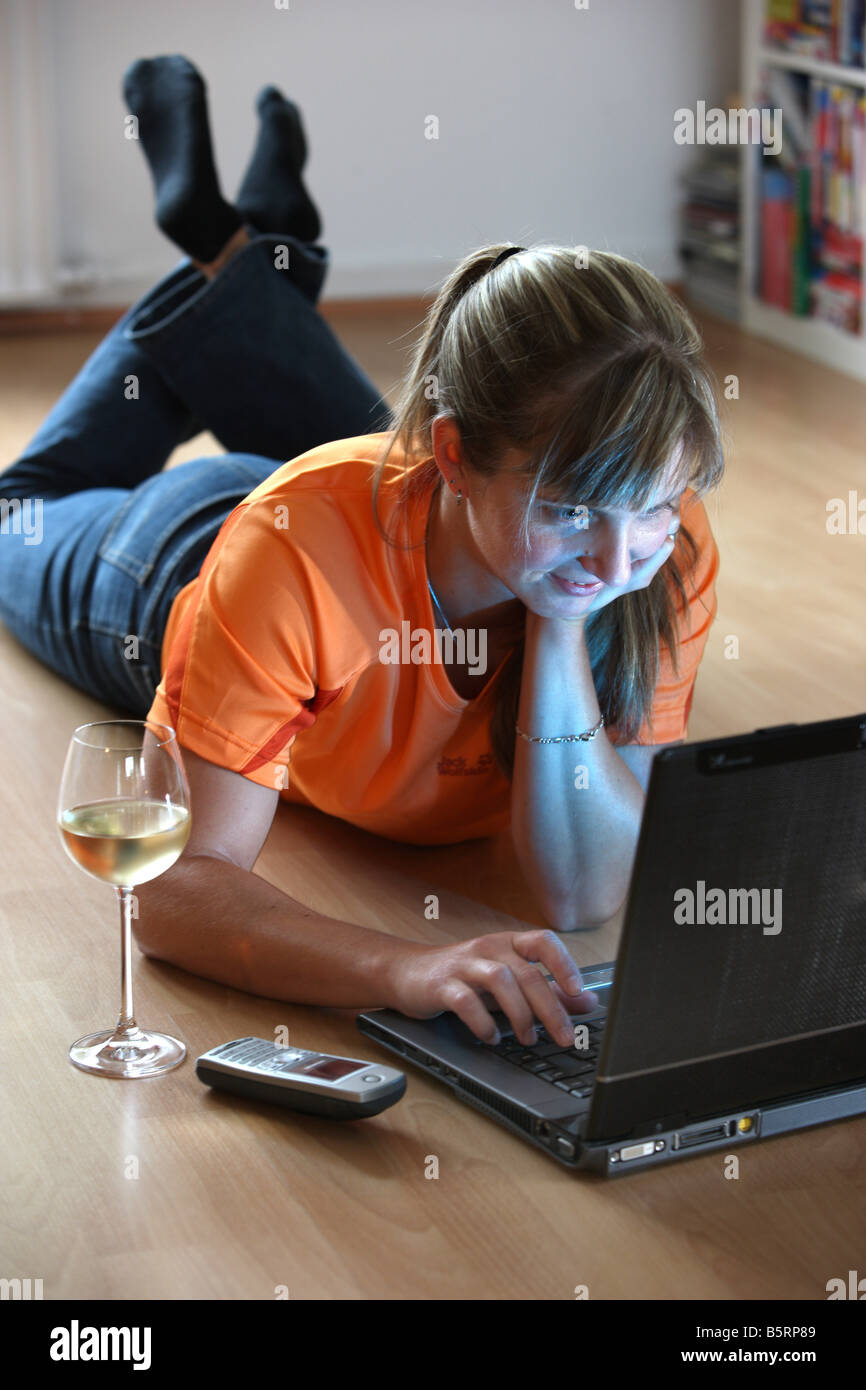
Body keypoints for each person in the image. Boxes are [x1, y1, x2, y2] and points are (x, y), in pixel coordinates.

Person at [0, 57, 723, 1053]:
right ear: (457, 458)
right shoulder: (292, 554)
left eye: (649, 502)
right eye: (571, 509)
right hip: (179, 556)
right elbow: (169, 898)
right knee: (16, 510)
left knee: (457, 480)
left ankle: (242, 249)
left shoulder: (648, 540)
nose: (617, 553)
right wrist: (405, 964)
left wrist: (561, 618)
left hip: (414, 513)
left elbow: (582, 888)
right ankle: (233, 253)